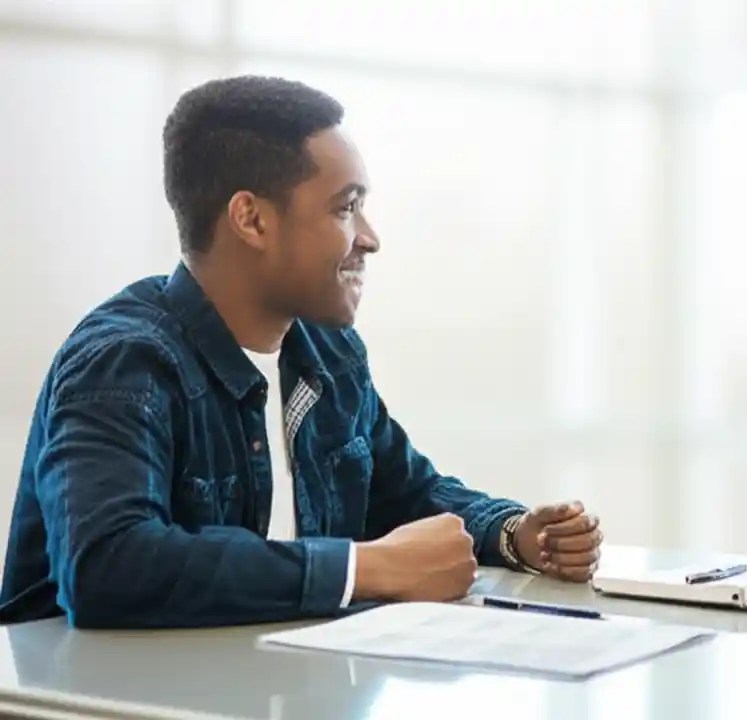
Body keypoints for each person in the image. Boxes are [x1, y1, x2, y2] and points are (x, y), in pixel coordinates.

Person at [0, 76, 604, 628]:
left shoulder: (327, 353)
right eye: (346, 207)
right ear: (251, 220)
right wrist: (368, 568)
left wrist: (514, 533)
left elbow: (409, 492)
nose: (369, 237)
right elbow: (108, 566)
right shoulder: (124, 362)